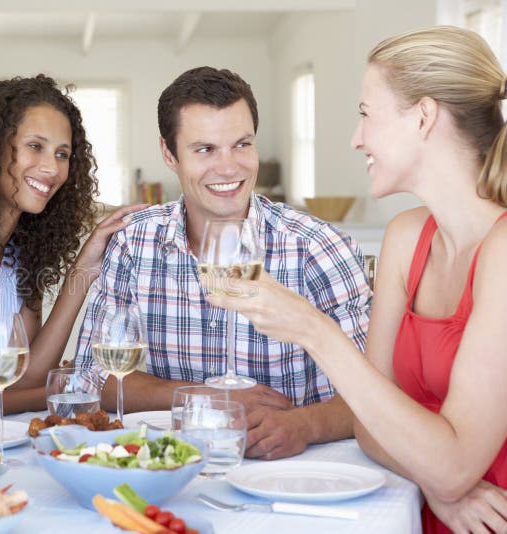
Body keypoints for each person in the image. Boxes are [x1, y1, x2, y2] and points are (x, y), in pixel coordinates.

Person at [202, 27, 507, 534]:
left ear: (424, 117)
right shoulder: (406, 238)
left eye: (366, 113)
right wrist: (435, 485)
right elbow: (368, 424)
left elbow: (456, 466)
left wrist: (313, 329)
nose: (356, 137)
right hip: (421, 509)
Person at [75, 66, 371, 460]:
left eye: (241, 144)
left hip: (299, 470)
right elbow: (93, 378)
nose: (229, 167)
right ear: (169, 153)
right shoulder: (134, 242)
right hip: (174, 466)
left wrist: (307, 424)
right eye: (205, 149)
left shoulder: (318, 246)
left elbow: (380, 392)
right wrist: (205, 397)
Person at [0, 74, 144, 418]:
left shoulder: (23, 253)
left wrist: (82, 271)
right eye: (35, 146)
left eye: (62, 154)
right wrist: (46, 396)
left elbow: (27, 377)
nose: (51, 168)